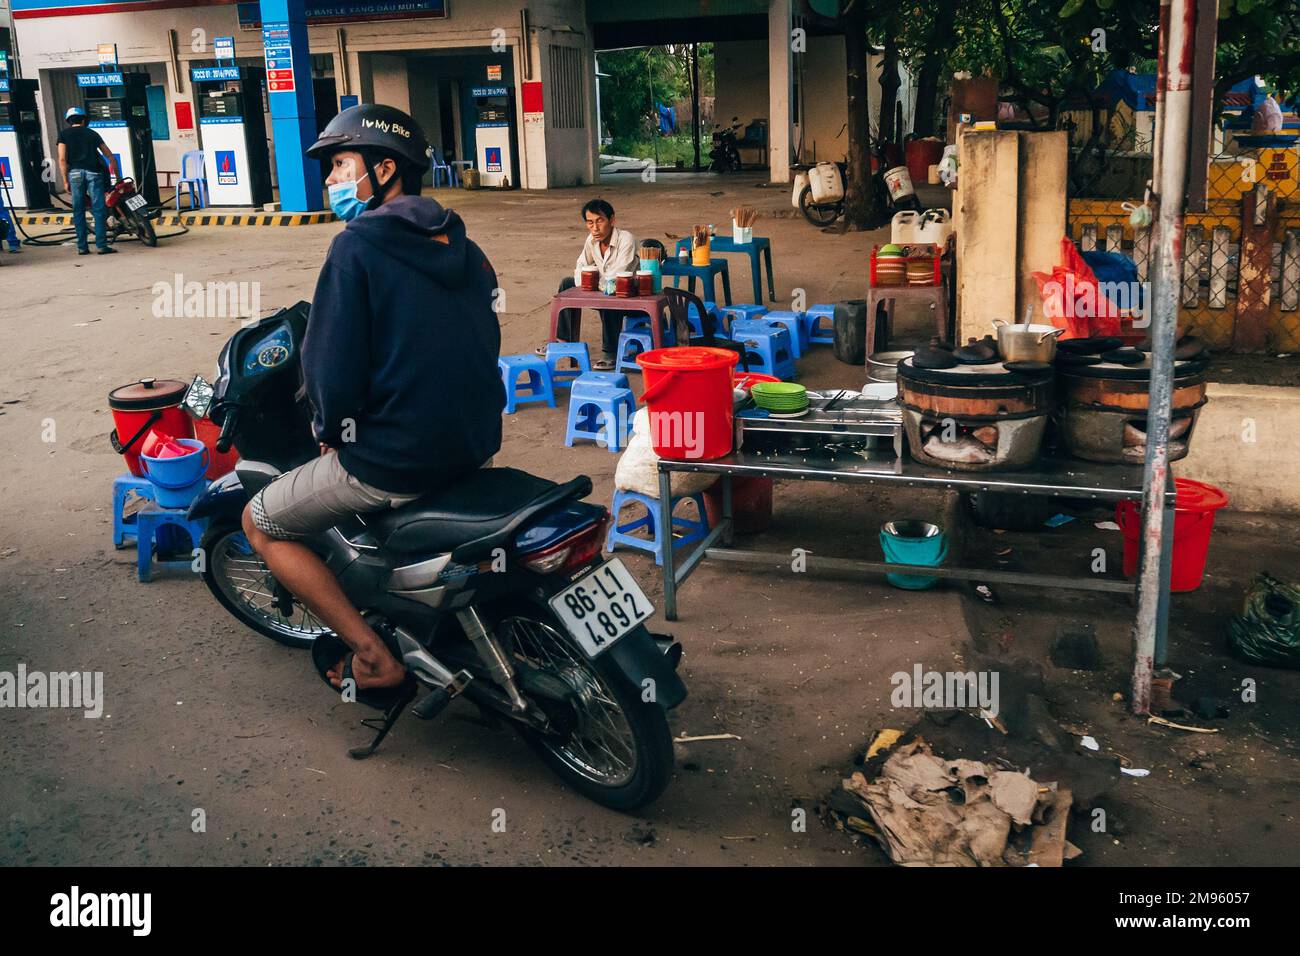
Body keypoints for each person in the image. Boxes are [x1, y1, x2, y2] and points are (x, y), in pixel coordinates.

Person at [240, 104, 505, 699]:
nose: (332, 181)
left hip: (397, 459)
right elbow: (484, 337)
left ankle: (372, 653)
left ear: (384, 170)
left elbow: (330, 366)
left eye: (340, 165)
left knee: (258, 522)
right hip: (475, 438)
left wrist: (332, 427)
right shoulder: (463, 243)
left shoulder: (355, 248)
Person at [540, 198, 638, 371]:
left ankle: (610, 353)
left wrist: (593, 282)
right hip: (602, 288)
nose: (595, 228)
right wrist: (588, 283)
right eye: (590, 223)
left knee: (610, 296)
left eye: (600, 221)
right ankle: (562, 340)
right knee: (567, 283)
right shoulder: (591, 241)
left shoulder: (626, 240)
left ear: (612, 220)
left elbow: (617, 277)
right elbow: (580, 267)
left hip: (630, 297)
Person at [57, 106, 119, 256]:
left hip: (75, 174)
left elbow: (62, 158)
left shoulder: (63, 135)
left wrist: (65, 181)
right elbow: (109, 155)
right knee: (98, 210)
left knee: (78, 210)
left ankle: (82, 247)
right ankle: (102, 246)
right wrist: (117, 176)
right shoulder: (92, 134)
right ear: (84, 120)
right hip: (94, 173)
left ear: (68, 121)